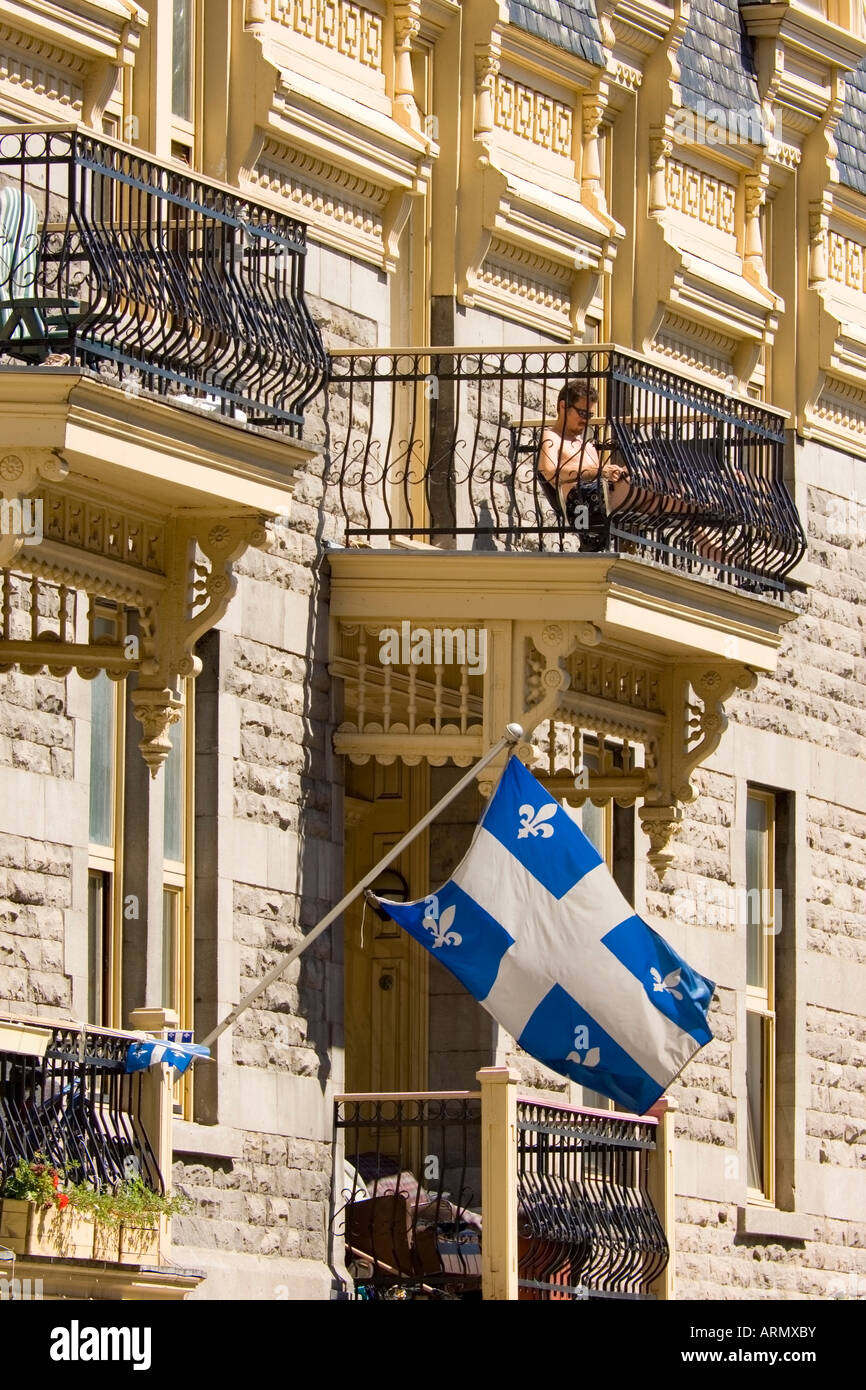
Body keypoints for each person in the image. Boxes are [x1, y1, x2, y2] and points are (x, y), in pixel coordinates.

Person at [537, 384, 630, 542]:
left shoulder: (587, 445)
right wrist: (600, 471)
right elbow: (549, 472)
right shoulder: (551, 437)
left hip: (601, 497)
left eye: (590, 415)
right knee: (642, 483)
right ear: (563, 406)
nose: (586, 420)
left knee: (657, 483)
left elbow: (601, 478)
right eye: (582, 413)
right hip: (582, 506)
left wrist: (615, 472)